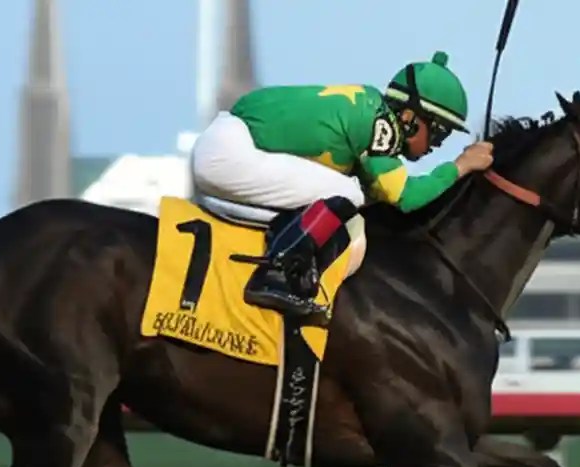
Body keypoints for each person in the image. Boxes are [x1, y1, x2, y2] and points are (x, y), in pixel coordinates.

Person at [191, 51, 495, 327]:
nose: (437, 144)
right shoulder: (380, 126)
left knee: (352, 195)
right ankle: (276, 274)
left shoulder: (372, 110)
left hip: (228, 142)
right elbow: (406, 197)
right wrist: (460, 166)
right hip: (228, 152)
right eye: (439, 131)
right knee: (344, 193)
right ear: (410, 118)